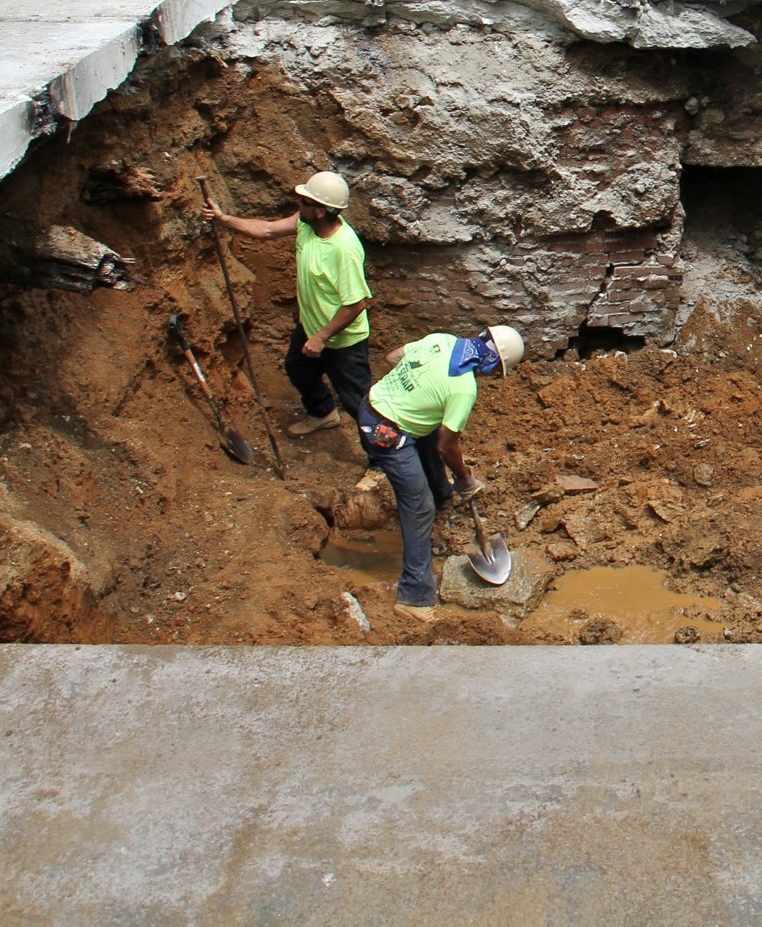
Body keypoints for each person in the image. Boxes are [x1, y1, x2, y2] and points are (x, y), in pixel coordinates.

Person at [359, 325, 524, 622]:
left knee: (430, 428)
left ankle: (441, 492)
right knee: (420, 509)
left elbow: (393, 357)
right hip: (385, 435)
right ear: (494, 363)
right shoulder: (463, 389)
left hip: (370, 404)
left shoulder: (443, 340)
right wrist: (465, 479)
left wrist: (418, 393)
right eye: (496, 371)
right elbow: (447, 448)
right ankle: (414, 596)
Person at [201, 170, 374, 438]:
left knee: (358, 402)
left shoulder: (343, 248)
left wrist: (321, 338)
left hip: (342, 341)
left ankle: (382, 459)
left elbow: (357, 303)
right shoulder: (306, 224)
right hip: (310, 327)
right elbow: (267, 230)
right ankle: (323, 413)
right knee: (298, 368)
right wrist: (223, 220)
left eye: (304, 201)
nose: (298, 204)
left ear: (320, 210)